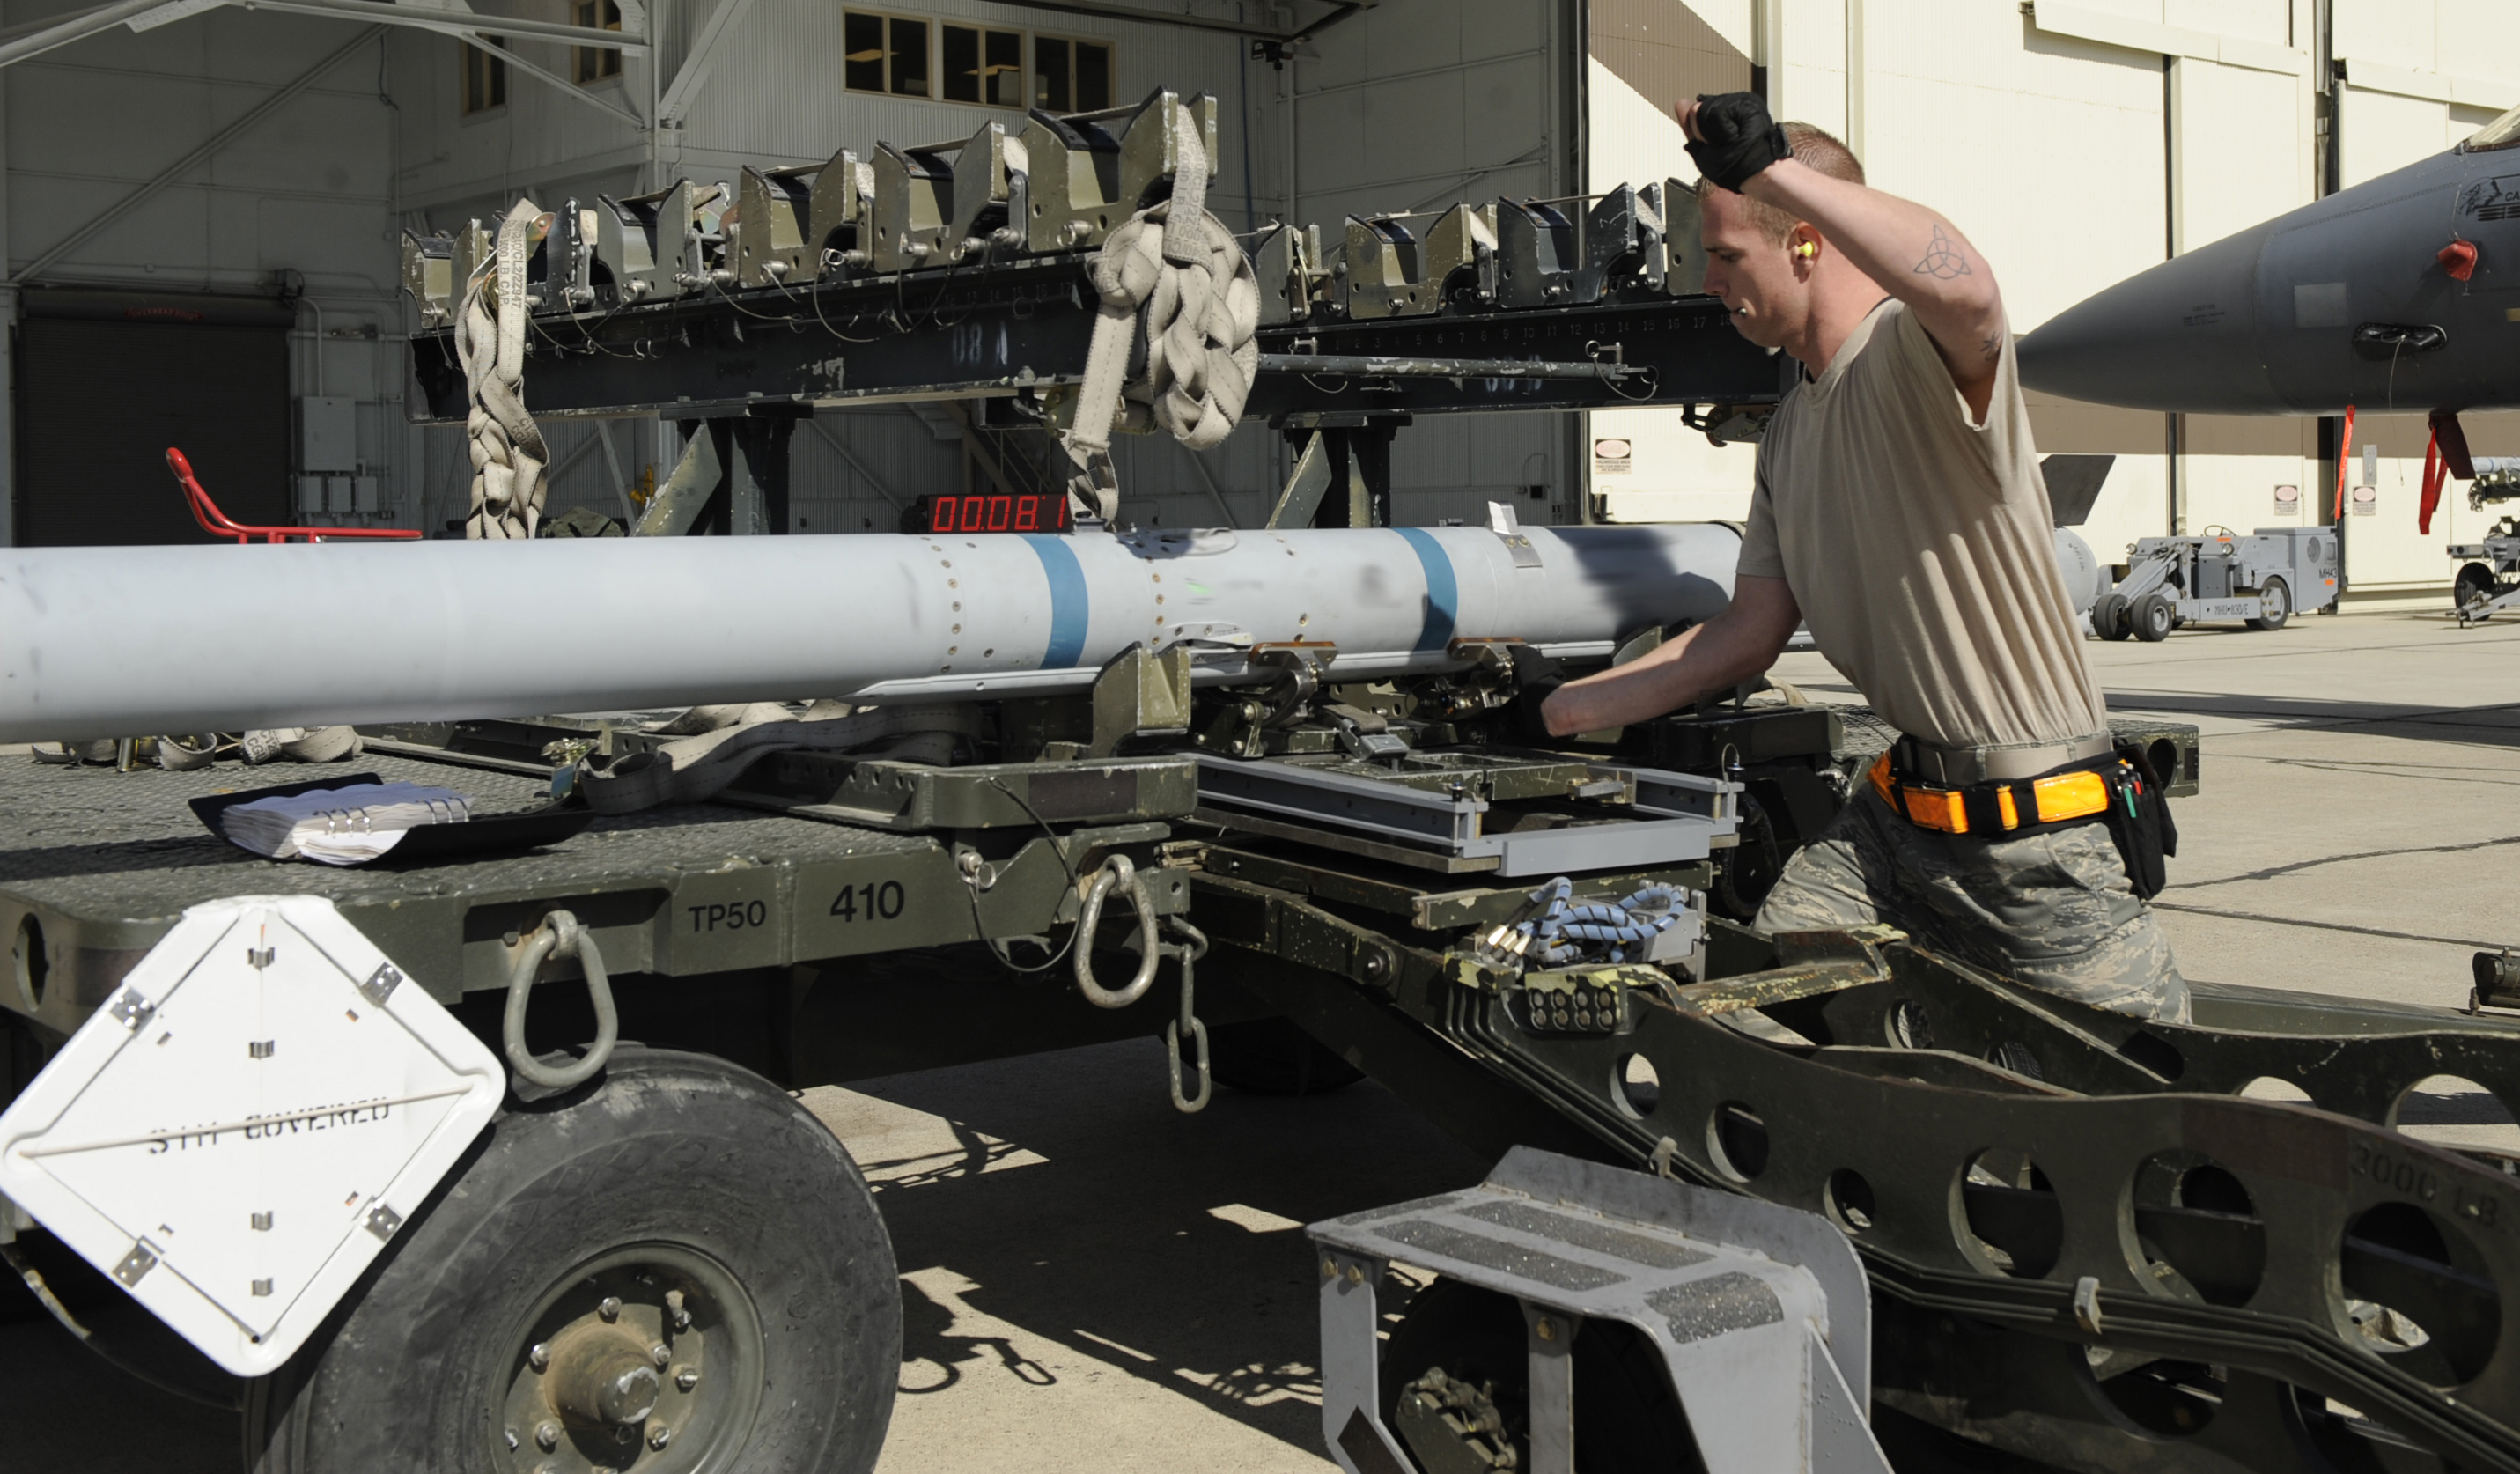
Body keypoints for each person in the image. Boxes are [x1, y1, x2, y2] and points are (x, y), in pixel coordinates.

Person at [1540, 92, 2186, 1022]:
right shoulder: (1790, 435)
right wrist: (1562, 709)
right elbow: (1745, 635)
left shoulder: (1912, 356)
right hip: (1898, 820)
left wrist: (1770, 169)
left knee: (2140, 1116)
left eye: (1726, 257)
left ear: (1803, 241)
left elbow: (1966, 288)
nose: (1711, 284)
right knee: (1766, 1006)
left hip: (2035, 834)